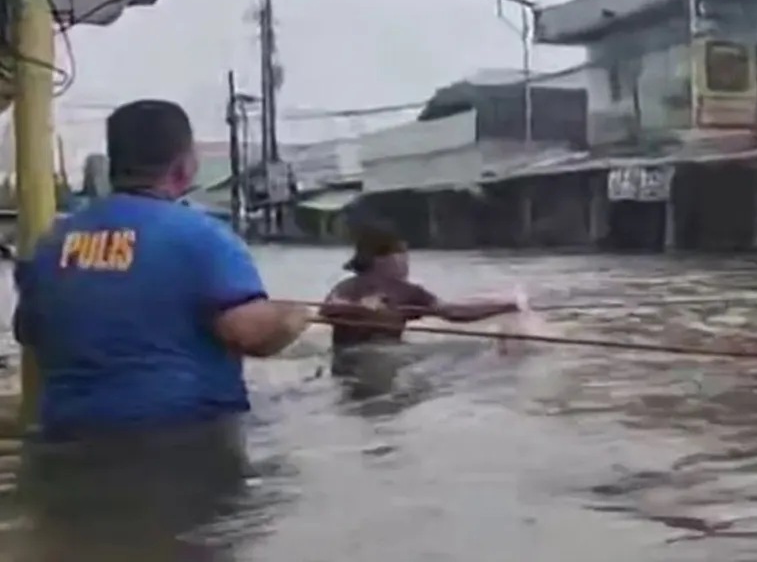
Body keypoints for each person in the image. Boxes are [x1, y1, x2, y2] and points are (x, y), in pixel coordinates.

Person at [10, 100, 312, 555]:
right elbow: (248, 333)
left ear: (115, 163)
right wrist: (291, 316)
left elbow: (27, 329)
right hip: (179, 450)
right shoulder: (200, 236)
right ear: (184, 165)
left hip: (67, 447)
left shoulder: (54, 243)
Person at [319, 222, 520, 348]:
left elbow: (451, 312)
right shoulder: (353, 287)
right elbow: (328, 309)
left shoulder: (407, 292)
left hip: (373, 359)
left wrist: (503, 305)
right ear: (380, 258)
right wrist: (361, 308)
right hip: (363, 359)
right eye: (401, 254)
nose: (406, 261)